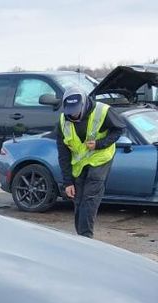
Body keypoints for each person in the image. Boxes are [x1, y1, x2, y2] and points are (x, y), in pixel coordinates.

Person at [54, 88, 125, 238]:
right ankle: (81, 238)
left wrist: (100, 144)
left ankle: (86, 239)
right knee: (78, 201)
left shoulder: (103, 111)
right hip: (80, 165)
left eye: (76, 111)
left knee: (89, 199)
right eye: (70, 112)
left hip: (100, 160)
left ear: (84, 103)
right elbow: (63, 154)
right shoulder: (63, 121)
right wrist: (68, 182)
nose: (74, 115)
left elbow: (119, 129)